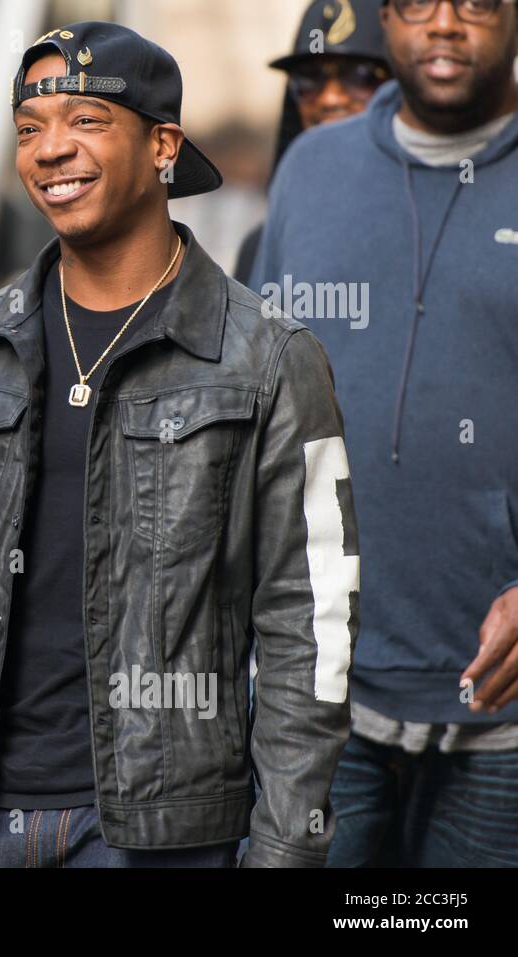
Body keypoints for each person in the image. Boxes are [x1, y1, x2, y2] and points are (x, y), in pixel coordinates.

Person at [0, 22, 359, 869]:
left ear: (164, 145)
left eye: (87, 121)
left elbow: (306, 626)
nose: (51, 150)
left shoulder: (271, 358)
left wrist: (284, 847)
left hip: (158, 836)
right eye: (30, 130)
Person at [251, 0, 518, 866]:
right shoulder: (312, 170)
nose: (444, 24)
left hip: (503, 725)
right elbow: (257, 405)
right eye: (416, 3)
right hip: (319, 694)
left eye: (475, 2)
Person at [233, 0, 390, 282]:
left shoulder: (434, 223)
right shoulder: (263, 245)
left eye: (360, 75)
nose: (330, 98)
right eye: (309, 78)